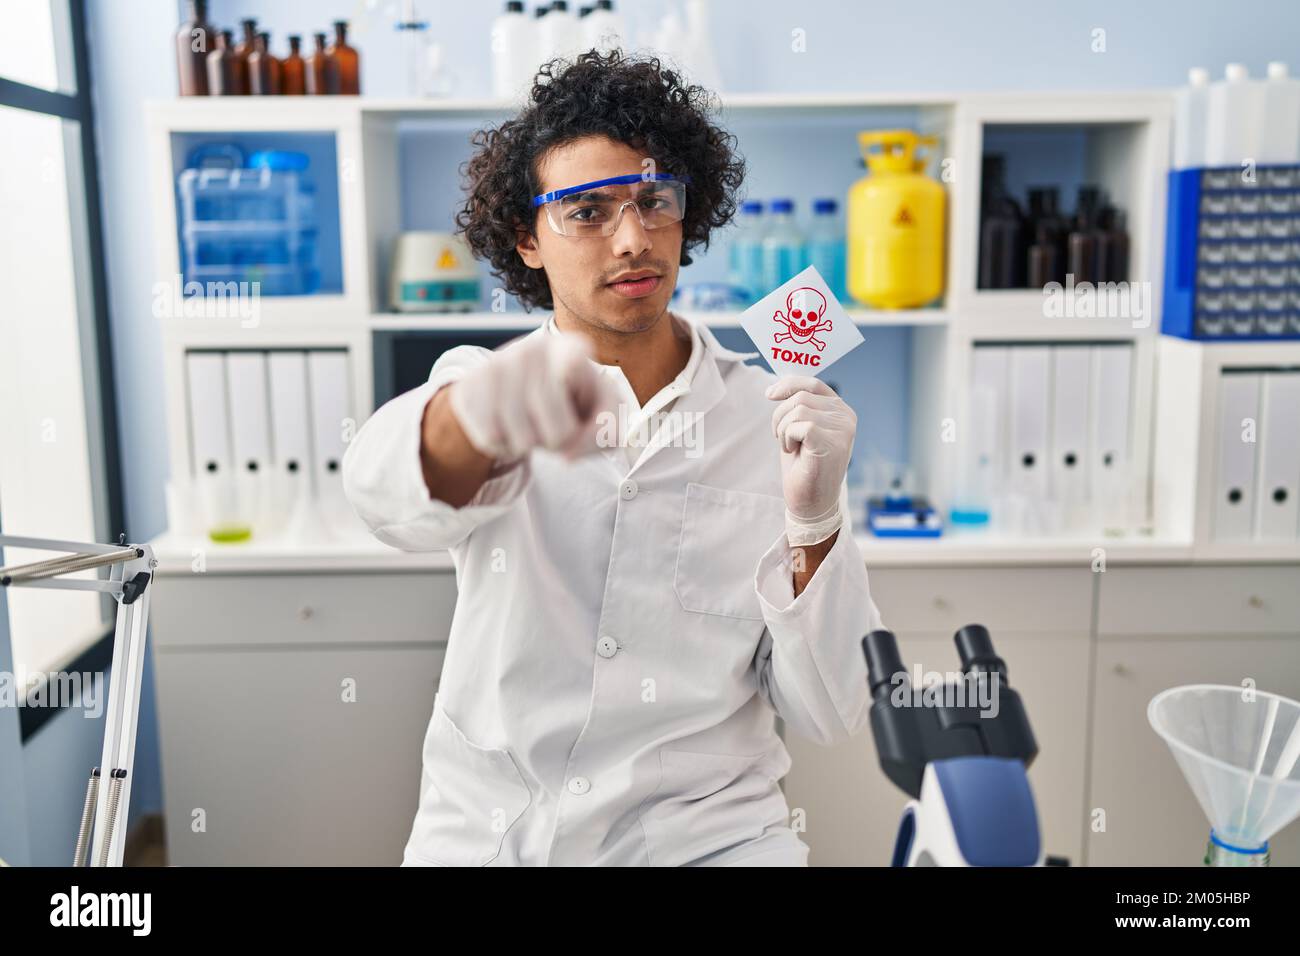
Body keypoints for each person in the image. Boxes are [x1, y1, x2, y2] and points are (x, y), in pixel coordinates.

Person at [342, 49, 883, 867]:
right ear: (527, 238)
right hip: (495, 832)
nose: (633, 238)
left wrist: (815, 520)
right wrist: (479, 418)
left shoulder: (763, 419)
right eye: (586, 211)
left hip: (710, 840)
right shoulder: (485, 390)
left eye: (654, 200)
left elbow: (833, 711)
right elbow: (386, 494)